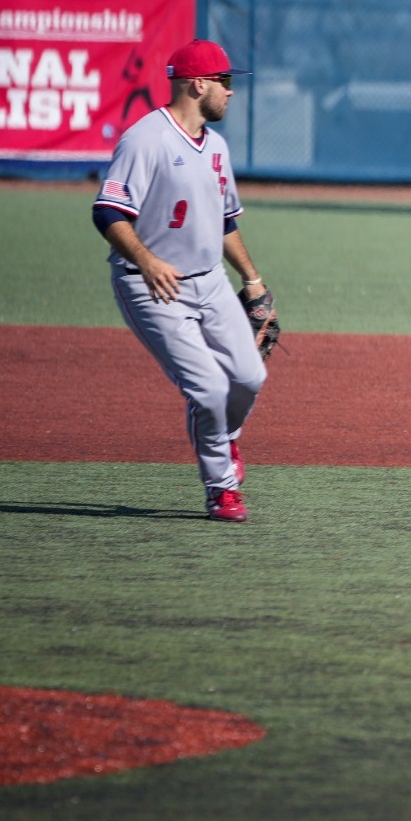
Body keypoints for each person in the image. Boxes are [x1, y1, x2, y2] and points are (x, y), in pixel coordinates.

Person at [92, 39, 270, 521]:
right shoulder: (146, 139)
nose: (230, 92)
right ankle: (220, 489)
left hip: (209, 281)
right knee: (210, 390)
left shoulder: (215, 146)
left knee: (250, 376)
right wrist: (148, 261)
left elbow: (224, 222)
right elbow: (107, 211)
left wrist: (251, 279)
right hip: (152, 286)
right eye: (225, 82)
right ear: (198, 84)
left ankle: (226, 438)